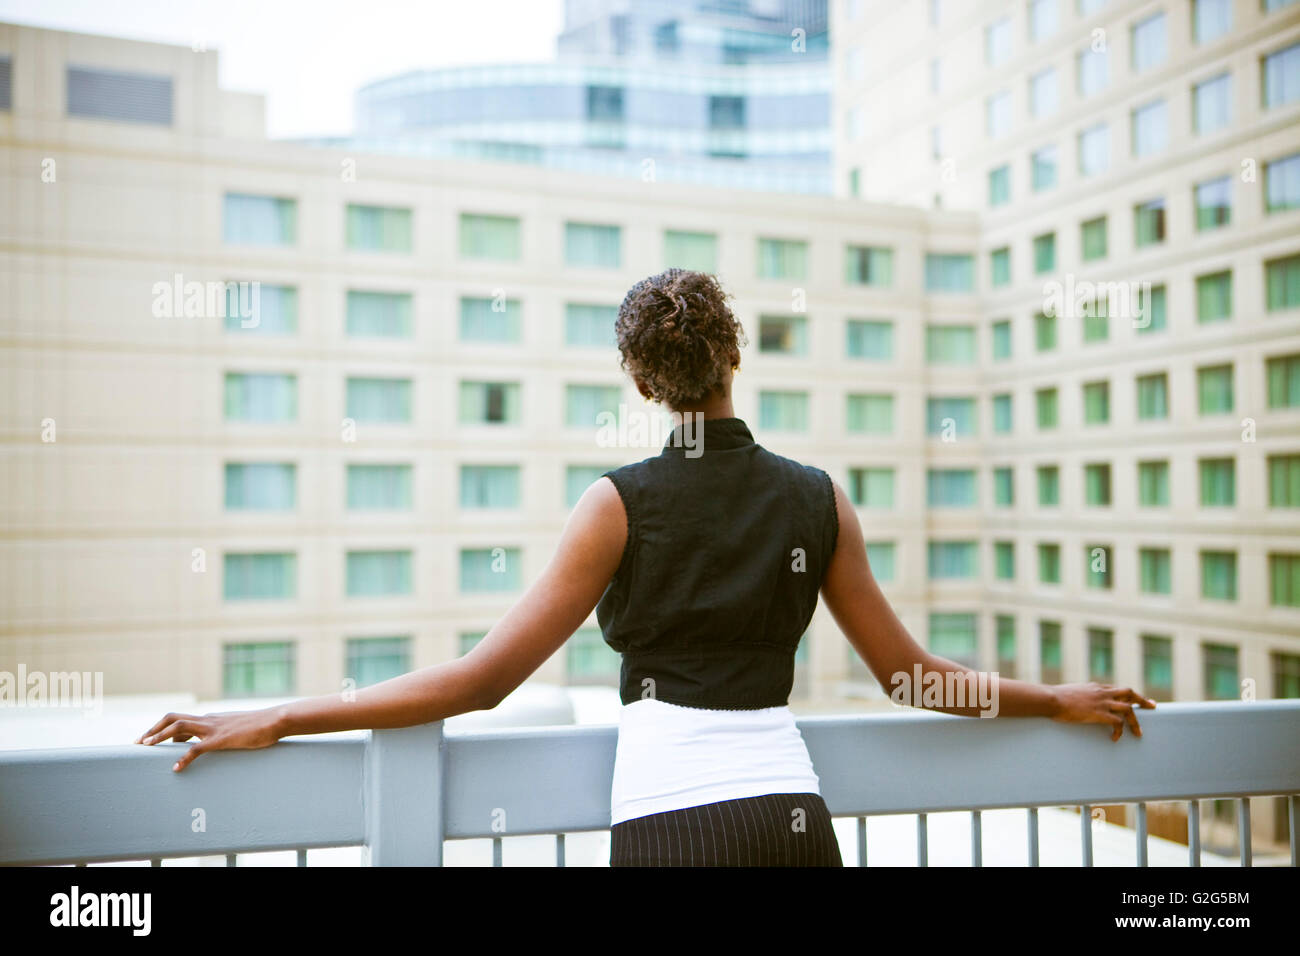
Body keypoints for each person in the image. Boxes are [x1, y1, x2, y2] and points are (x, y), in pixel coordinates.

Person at [136, 268, 1156, 866]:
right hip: (793, 822)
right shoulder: (816, 496)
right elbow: (910, 675)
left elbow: (479, 680)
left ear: (638, 379)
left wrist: (277, 713)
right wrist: (1054, 697)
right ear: (735, 357)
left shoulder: (613, 505)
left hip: (669, 827)